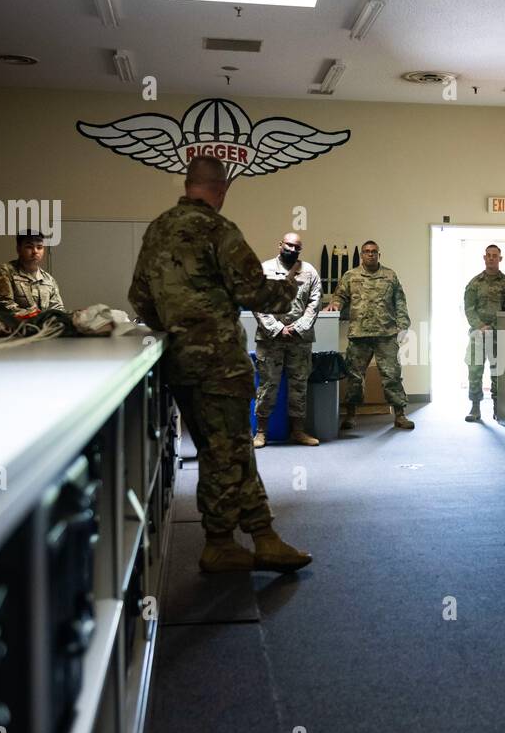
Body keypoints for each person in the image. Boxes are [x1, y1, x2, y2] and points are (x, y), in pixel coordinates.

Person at [128, 155, 310, 574]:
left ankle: (263, 536)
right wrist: (287, 291)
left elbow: (139, 298)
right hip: (219, 365)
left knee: (226, 450)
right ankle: (220, 544)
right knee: (225, 454)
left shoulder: (157, 230)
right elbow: (252, 290)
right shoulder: (218, 228)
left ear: (188, 184)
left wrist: (177, 324)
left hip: (178, 363)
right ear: (222, 190)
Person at [324, 240, 414, 431]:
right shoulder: (351, 276)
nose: (370, 254)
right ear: (362, 255)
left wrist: (403, 325)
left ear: (379, 255)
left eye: (374, 251)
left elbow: (400, 301)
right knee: (354, 377)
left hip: (386, 334)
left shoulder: (390, 276)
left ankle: (400, 414)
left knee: (392, 375)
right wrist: (335, 306)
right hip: (359, 334)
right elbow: (339, 296)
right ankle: (350, 414)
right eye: (366, 251)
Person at [252, 232, 322, 447]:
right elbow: (257, 302)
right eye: (288, 245)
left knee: (299, 385)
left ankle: (298, 431)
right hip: (270, 339)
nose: (291, 249)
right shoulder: (264, 270)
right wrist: (277, 329)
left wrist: (298, 327)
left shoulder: (309, 272)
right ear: (280, 244)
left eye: (296, 247)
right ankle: (261, 432)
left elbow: (315, 302)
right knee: (267, 385)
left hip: (299, 339)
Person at [462, 243, 505, 422]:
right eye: (488, 255)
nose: (491, 258)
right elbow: (469, 308)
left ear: (500, 259)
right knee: (474, 371)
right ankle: (475, 408)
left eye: (495, 255)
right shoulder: (475, 283)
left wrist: (492, 326)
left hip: (498, 335)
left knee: (498, 373)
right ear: (484, 258)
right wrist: (480, 326)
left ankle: (497, 408)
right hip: (478, 334)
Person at [0, 231, 65, 314]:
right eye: (29, 247)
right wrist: (37, 317)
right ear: (19, 249)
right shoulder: (4, 272)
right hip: (16, 326)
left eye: (39, 247)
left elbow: (58, 310)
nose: (35, 251)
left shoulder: (48, 279)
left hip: (45, 326)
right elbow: (6, 307)